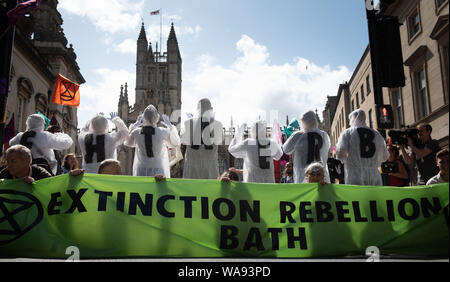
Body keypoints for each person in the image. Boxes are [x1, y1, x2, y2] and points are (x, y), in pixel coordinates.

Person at [124, 104, 180, 177]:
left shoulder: (136, 132)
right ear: (156, 118)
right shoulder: (163, 131)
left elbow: (127, 142)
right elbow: (175, 143)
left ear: (143, 118)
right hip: (158, 170)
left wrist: (134, 126)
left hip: (141, 169)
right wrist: (171, 127)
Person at [335, 109, 389, 186]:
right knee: (374, 197)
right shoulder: (377, 134)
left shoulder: (347, 133)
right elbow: (385, 156)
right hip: (374, 174)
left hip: (354, 174)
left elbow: (340, 154)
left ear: (353, 119)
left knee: (356, 197)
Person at [9, 114, 73, 175]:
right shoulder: (45, 136)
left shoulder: (19, 136)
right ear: (41, 124)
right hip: (41, 172)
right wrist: (59, 134)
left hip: (21, 171)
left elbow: (10, 143)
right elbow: (67, 143)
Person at [282, 110, 331, 183]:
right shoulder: (324, 135)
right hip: (322, 177)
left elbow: (286, 149)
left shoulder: (298, 135)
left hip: (303, 177)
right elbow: (328, 149)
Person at [180, 98, 223, 179]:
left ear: (197, 109)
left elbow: (183, 141)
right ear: (210, 109)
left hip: (192, 170)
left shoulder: (187, 124)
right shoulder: (218, 125)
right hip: (210, 170)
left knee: (191, 191)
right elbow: (219, 141)